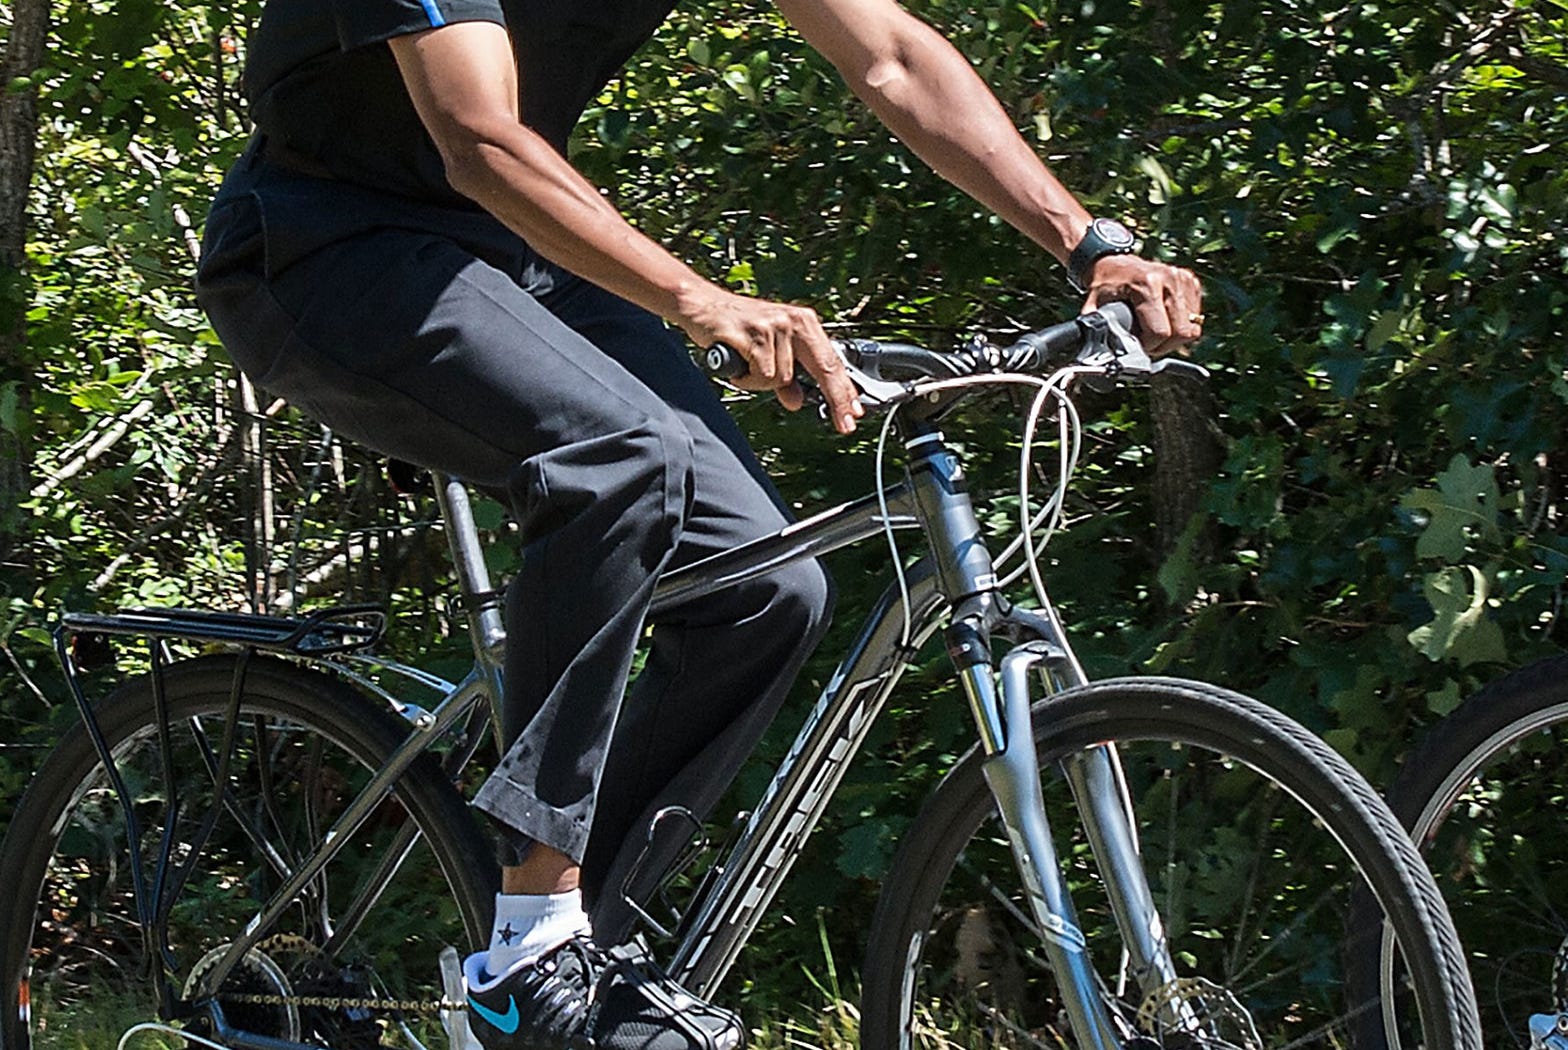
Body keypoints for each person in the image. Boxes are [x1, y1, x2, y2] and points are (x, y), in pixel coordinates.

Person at [194, 0, 1205, 1046]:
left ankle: (580, 953)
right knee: (617, 456)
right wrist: (697, 299)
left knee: (767, 585)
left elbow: (893, 56)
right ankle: (530, 941)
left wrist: (1084, 241)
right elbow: (479, 138)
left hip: (517, 253)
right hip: (324, 250)